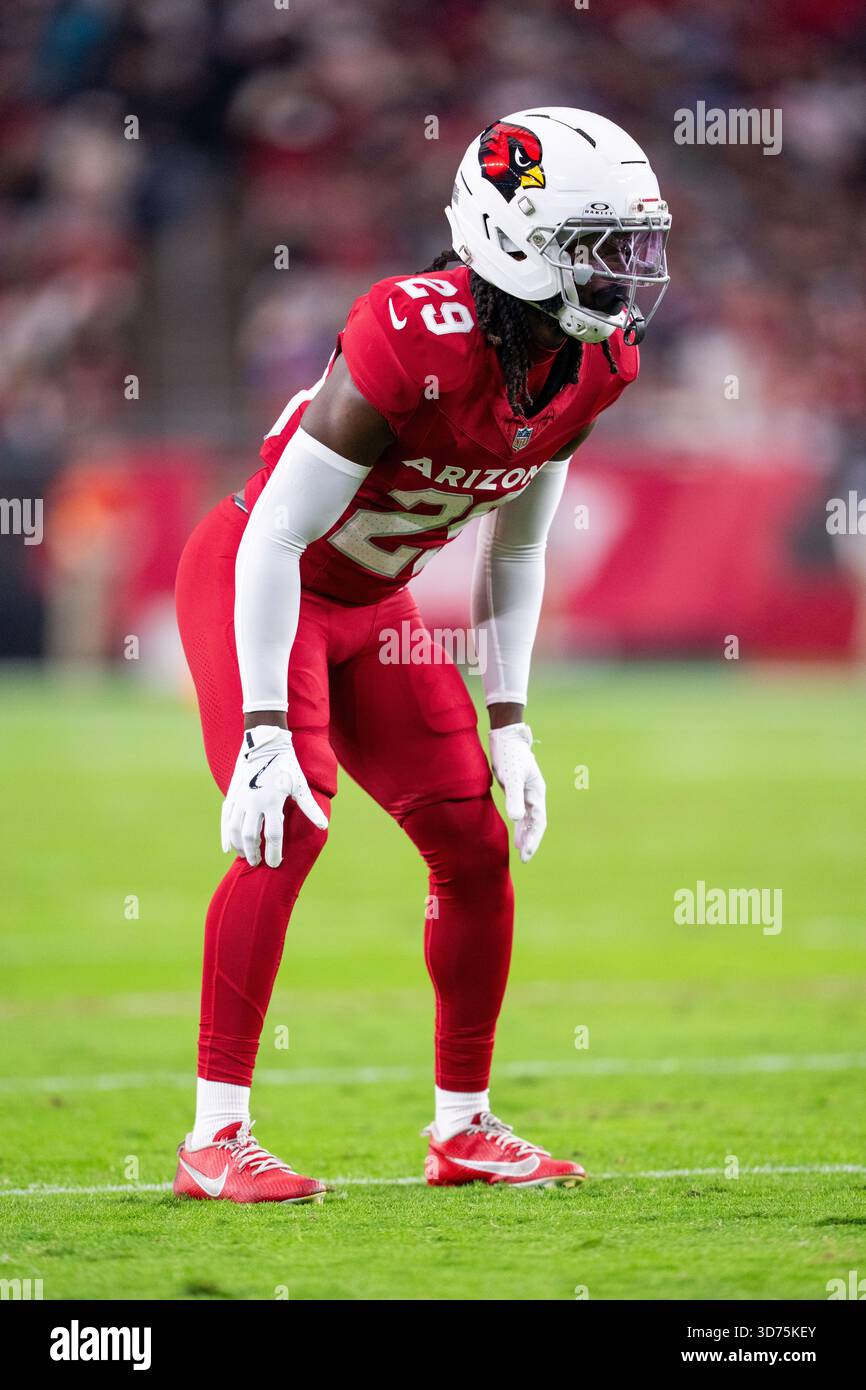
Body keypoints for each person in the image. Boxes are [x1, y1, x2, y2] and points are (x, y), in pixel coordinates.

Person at [172, 107, 671, 1202]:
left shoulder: (594, 365)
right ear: (512, 234)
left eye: (633, 242)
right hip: (269, 581)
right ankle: (215, 1135)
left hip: (375, 602)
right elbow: (277, 532)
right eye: (597, 243)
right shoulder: (415, 329)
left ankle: (462, 1126)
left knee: (471, 844)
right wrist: (263, 726)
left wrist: (513, 720)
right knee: (286, 826)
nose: (625, 270)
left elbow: (519, 542)